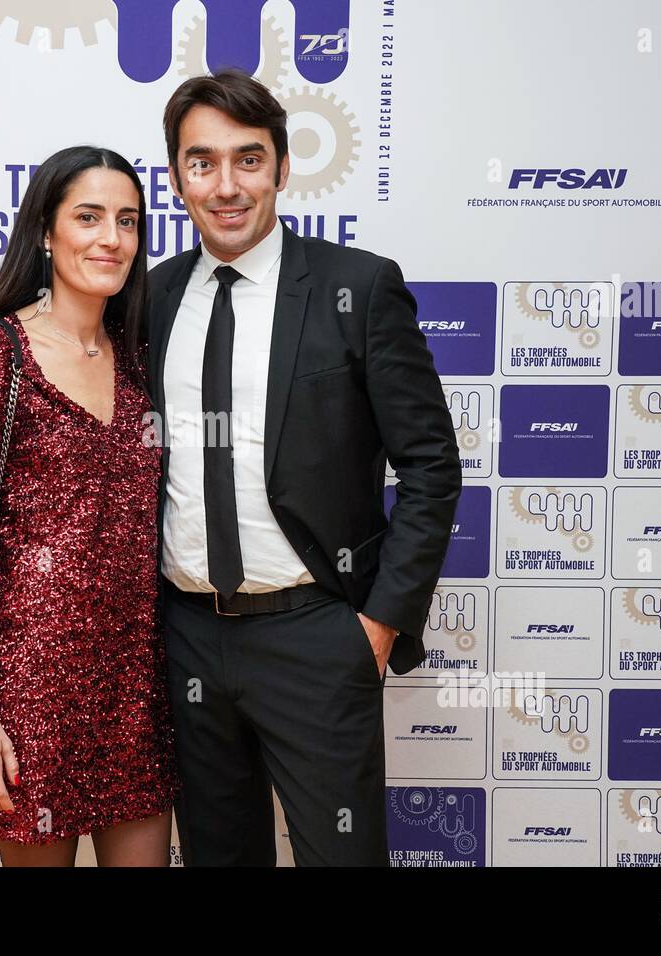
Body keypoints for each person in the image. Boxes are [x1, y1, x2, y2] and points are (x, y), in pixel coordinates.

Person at [147, 69, 462, 866]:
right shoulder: (148, 300)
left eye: (249, 160)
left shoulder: (358, 287)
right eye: (202, 161)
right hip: (183, 637)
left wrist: (376, 627)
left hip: (317, 635)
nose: (226, 185)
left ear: (283, 169)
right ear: (177, 174)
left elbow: (430, 465)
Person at [0, 145, 180, 866]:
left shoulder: (146, 363)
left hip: (133, 693)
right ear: (45, 233)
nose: (110, 238)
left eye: (127, 221)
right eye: (87, 217)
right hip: (25, 694)